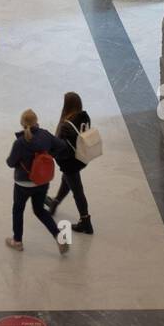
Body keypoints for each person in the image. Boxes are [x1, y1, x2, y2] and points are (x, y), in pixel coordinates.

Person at [5, 109, 68, 253]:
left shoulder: (20, 142)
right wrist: (48, 155)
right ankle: (59, 237)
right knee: (39, 210)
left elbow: (10, 163)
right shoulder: (45, 135)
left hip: (22, 184)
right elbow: (62, 146)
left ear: (22, 123)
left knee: (18, 210)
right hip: (42, 182)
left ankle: (17, 241)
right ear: (36, 121)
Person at [45, 92, 94, 234]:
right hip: (81, 158)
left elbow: (59, 146)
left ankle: (85, 221)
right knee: (67, 180)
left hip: (70, 162)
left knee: (77, 190)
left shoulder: (66, 125)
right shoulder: (84, 117)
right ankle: (55, 203)